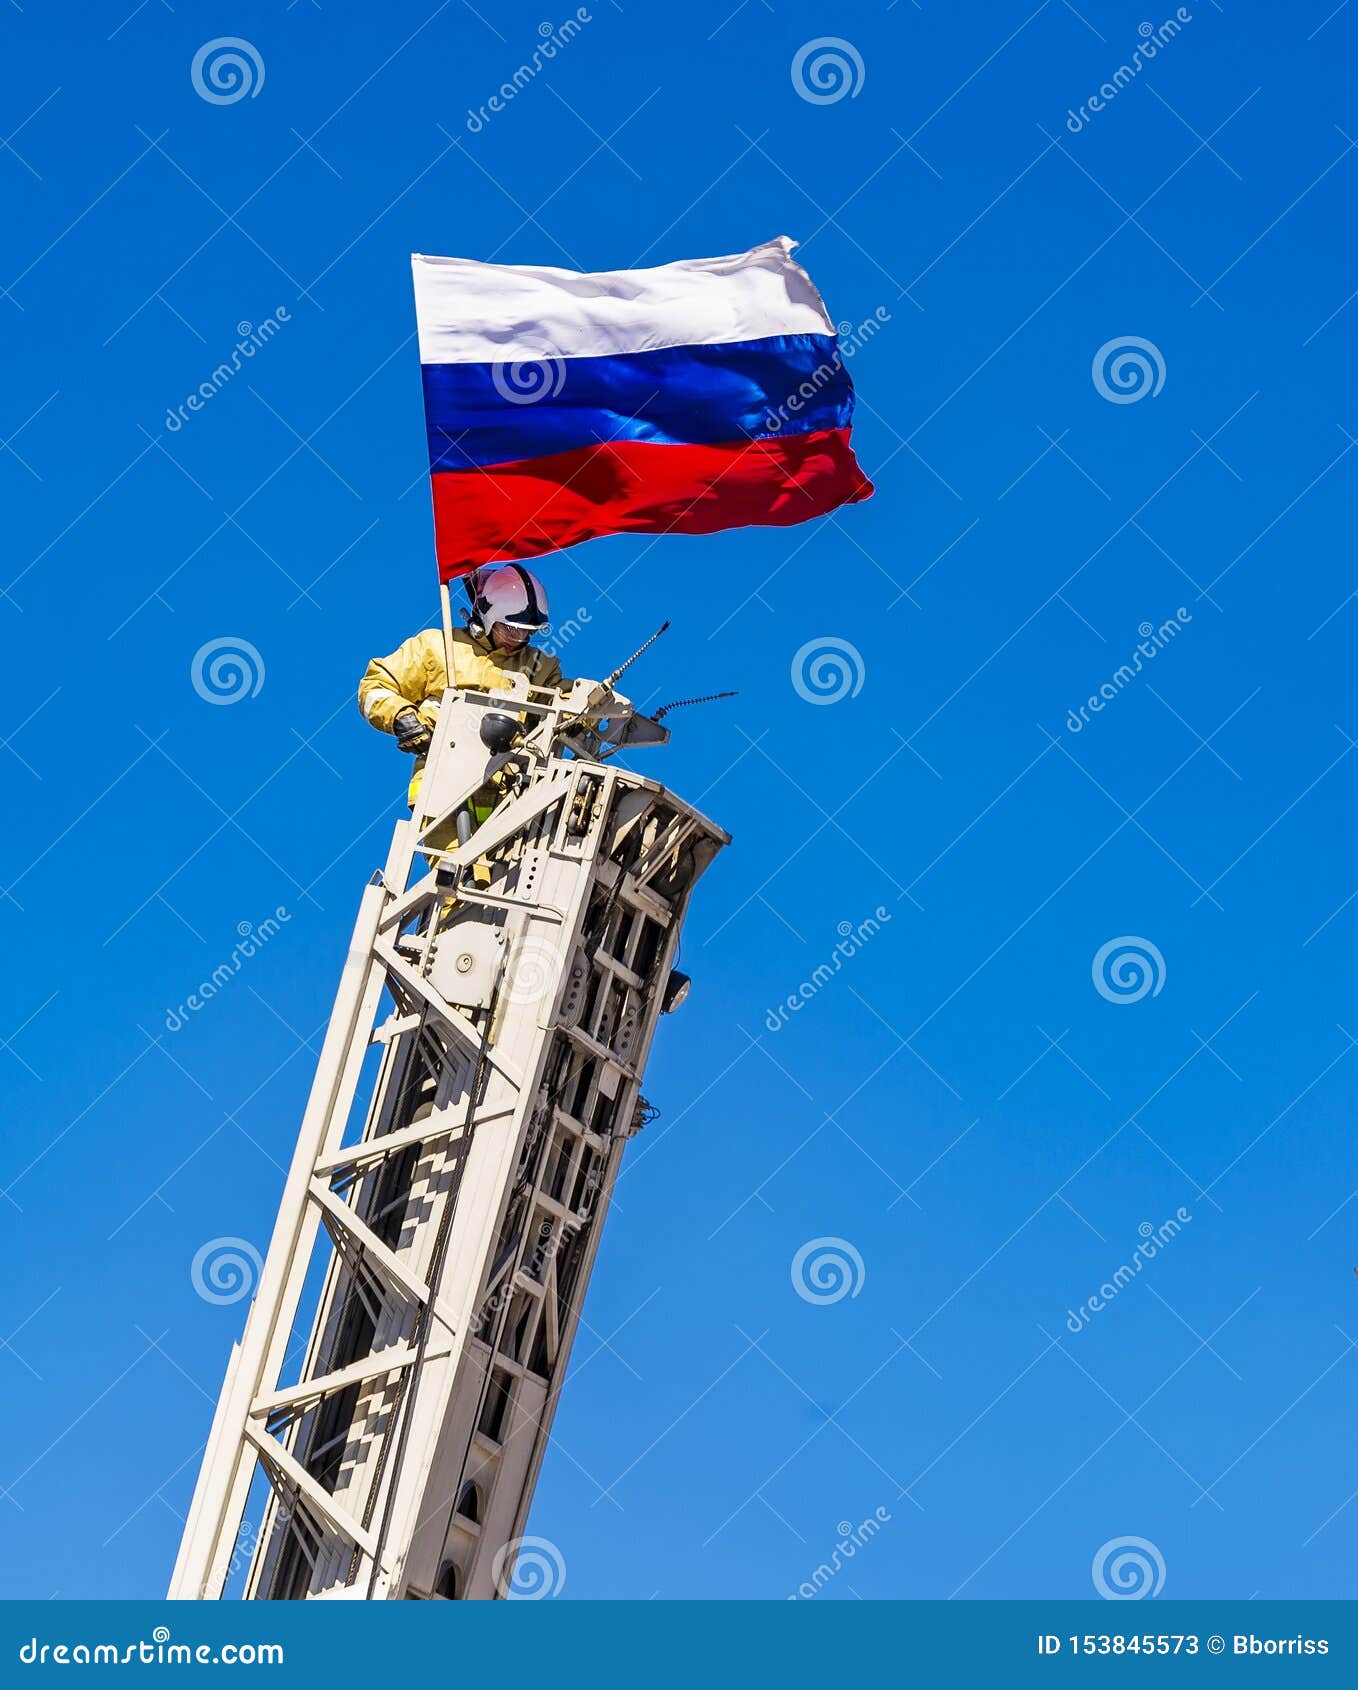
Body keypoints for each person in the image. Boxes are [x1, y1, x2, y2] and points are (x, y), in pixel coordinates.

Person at [358, 564, 568, 806]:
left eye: (526, 632)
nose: (518, 639)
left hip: (511, 797)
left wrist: (596, 704)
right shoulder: (438, 647)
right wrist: (400, 717)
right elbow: (375, 686)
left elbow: (567, 703)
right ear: (488, 617)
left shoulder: (538, 666)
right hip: (443, 790)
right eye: (511, 629)